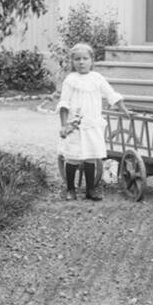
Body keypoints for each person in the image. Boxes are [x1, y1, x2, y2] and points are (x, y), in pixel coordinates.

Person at [58, 43, 130, 201]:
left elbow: (111, 94)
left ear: (92, 60)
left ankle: (90, 189)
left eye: (85, 58)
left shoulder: (97, 78)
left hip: (93, 124)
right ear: (72, 62)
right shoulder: (70, 80)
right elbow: (64, 104)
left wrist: (123, 108)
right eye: (77, 59)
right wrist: (64, 125)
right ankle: (70, 189)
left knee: (91, 156)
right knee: (73, 157)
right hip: (74, 125)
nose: (81, 62)